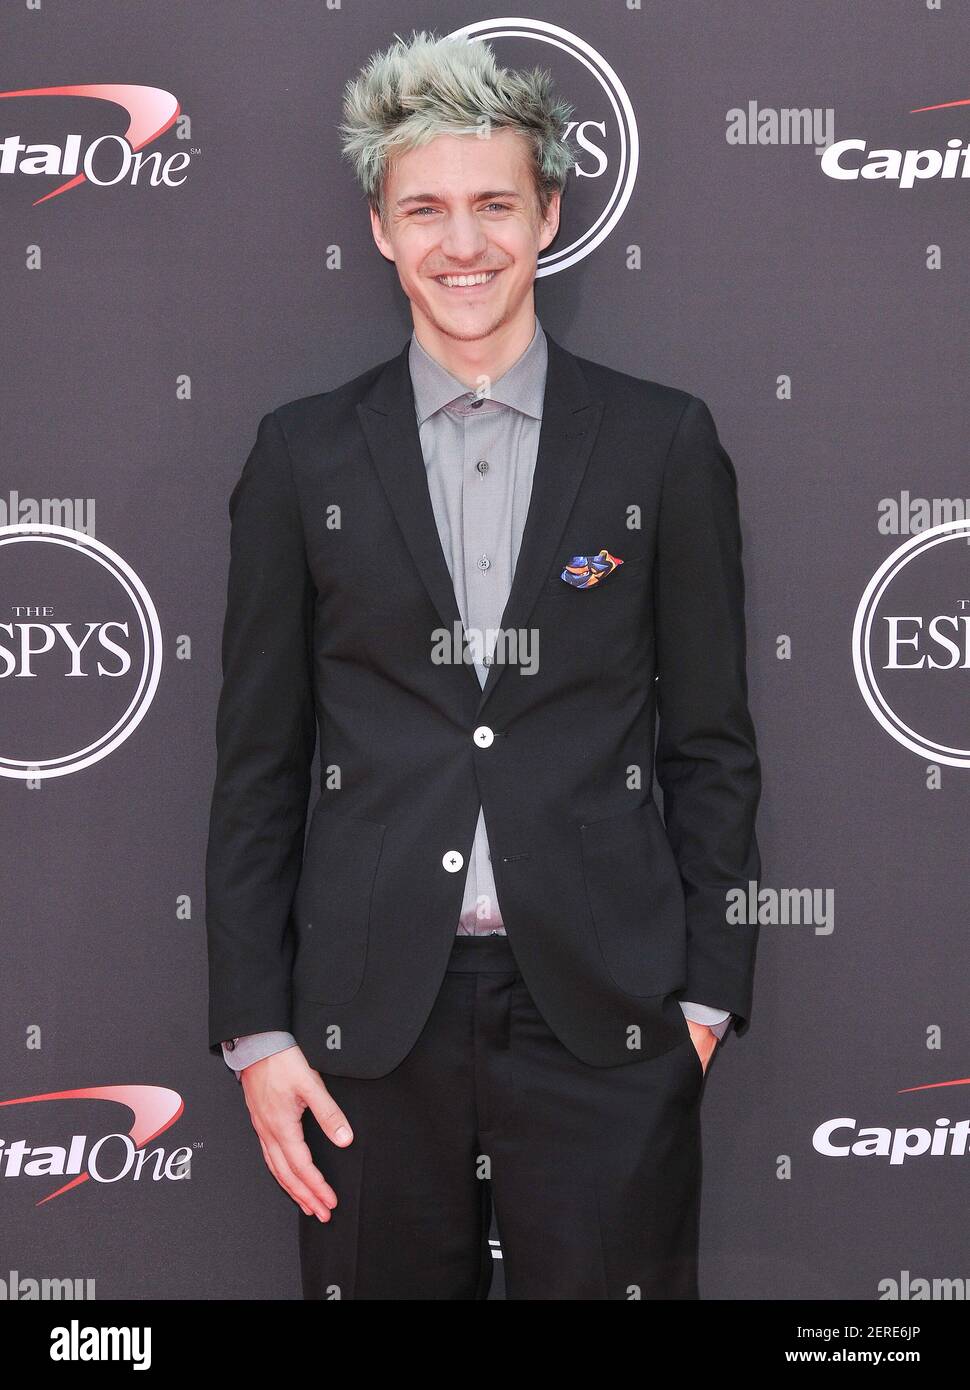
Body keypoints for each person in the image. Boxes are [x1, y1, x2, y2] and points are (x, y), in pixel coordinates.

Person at [205, 28, 762, 1300]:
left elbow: (713, 745)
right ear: (383, 230)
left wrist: (707, 1006)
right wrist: (257, 1032)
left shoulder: (662, 445)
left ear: (549, 212)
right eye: (428, 210)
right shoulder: (301, 459)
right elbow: (258, 764)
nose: (465, 243)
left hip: (609, 1022)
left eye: (495, 204)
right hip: (365, 1028)